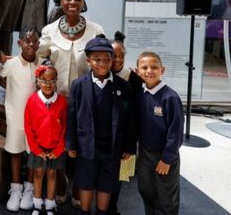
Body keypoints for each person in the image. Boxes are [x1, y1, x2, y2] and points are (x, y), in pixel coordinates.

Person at [66, 38, 136, 214]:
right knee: (85, 181)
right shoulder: (79, 85)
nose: (102, 63)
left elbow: (130, 119)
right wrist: (71, 143)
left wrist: (129, 146)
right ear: (88, 61)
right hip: (86, 145)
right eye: (97, 59)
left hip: (112, 147)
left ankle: (102, 212)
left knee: (107, 183)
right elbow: (72, 116)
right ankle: (84, 211)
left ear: (112, 60)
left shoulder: (124, 87)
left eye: (107, 59)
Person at [38, 0, 106, 97]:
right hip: (56, 98)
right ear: (61, 1)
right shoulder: (49, 31)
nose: (73, 3)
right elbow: (38, 59)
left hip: (88, 97)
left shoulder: (96, 30)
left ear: (83, 2)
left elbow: (104, 62)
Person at [135, 52, 184, 215]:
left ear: (162, 69)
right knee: (146, 191)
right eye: (144, 67)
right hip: (145, 154)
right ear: (137, 71)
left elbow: (176, 132)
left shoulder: (170, 97)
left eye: (154, 67)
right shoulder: (140, 95)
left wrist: (166, 159)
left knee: (166, 197)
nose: (149, 71)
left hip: (164, 156)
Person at [0, 28, 40, 212]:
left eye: (35, 41)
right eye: (27, 40)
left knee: (33, 154)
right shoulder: (12, 64)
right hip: (15, 117)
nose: (31, 44)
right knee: (15, 153)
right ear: (19, 43)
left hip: (37, 121)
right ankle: (15, 189)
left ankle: (29, 188)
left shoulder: (42, 64)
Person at [24, 65, 67, 215]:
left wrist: (58, 149)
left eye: (52, 80)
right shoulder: (32, 101)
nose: (48, 84)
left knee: (52, 174)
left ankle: (50, 205)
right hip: (38, 147)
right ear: (38, 81)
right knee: (37, 174)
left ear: (56, 82)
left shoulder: (62, 102)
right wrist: (36, 149)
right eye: (44, 80)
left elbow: (65, 128)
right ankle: (37, 204)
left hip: (55, 148)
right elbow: (28, 127)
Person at [108, 32, 140, 215]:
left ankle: (112, 206)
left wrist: (131, 143)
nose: (118, 60)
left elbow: (135, 116)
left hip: (123, 136)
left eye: (121, 56)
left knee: (118, 174)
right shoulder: (99, 75)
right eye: (114, 56)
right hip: (105, 136)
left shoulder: (133, 80)